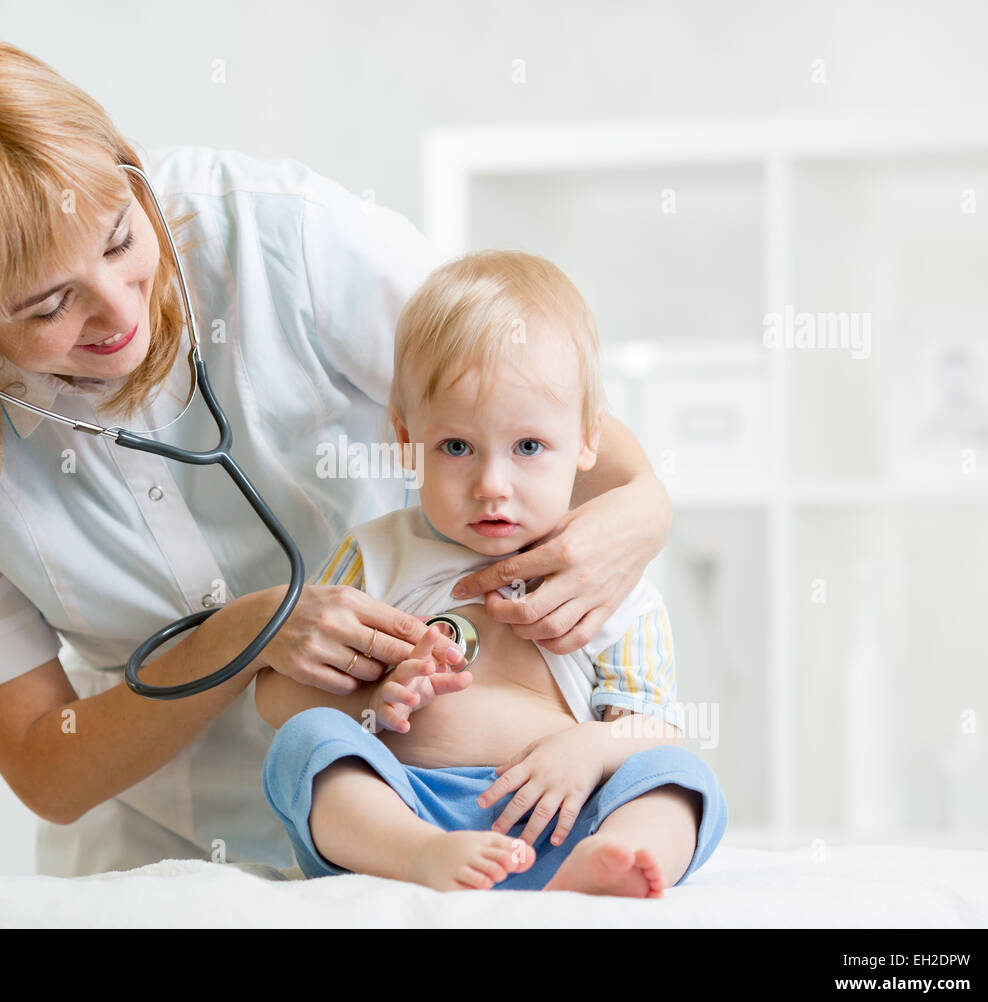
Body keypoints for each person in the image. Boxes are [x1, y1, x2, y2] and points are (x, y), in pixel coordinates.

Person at [0, 30, 676, 878]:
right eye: (46, 305)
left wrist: (644, 505)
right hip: (168, 860)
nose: (119, 312)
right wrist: (241, 638)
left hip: (445, 819)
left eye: (118, 239)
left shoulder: (281, 237)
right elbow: (47, 767)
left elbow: (519, 386)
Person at [257, 251, 727, 894]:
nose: (492, 486)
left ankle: (611, 859)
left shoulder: (610, 580)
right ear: (405, 439)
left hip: (565, 810)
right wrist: (371, 702)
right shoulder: (375, 555)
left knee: (680, 777)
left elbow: (651, 725)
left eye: (528, 447)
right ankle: (418, 854)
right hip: (403, 804)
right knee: (306, 744)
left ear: (587, 440)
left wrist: (586, 751)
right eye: (456, 448)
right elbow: (275, 697)